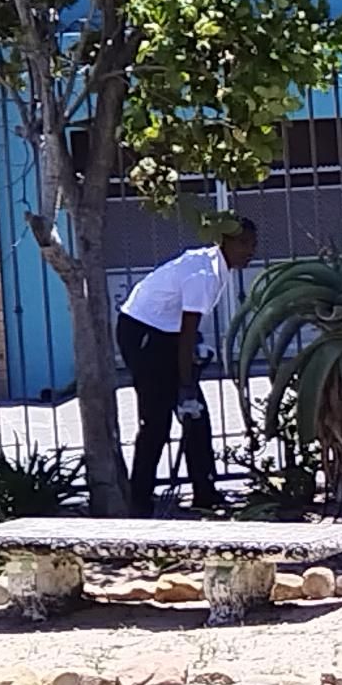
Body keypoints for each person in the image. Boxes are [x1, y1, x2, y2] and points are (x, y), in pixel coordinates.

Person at [119, 213, 252, 513]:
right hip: (143, 334)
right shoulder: (203, 275)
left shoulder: (216, 267)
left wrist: (191, 370)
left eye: (252, 244)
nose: (250, 251)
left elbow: (186, 331)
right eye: (244, 243)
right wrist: (185, 386)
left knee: (197, 419)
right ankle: (139, 499)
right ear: (225, 242)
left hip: (167, 334)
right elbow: (188, 330)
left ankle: (205, 492)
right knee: (157, 422)